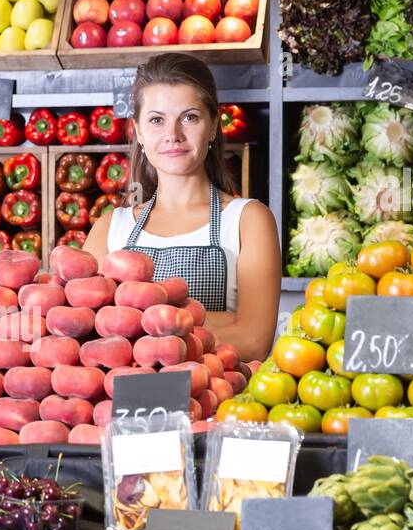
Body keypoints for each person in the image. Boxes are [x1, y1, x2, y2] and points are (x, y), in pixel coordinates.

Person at [84, 53, 281, 363]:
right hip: (126, 406)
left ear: (214, 126)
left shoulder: (248, 219)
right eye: (156, 120)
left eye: (190, 117)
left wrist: (137, 321)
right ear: (138, 131)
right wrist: (213, 321)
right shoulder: (110, 228)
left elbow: (254, 340)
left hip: (217, 401)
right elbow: (89, 335)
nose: (172, 134)